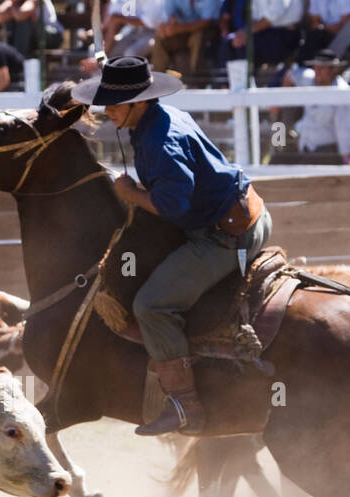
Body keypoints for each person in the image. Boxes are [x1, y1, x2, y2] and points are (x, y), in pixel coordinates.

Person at [72, 56, 271, 435]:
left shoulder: (161, 140)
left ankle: (185, 405)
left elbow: (173, 205)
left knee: (151, 305)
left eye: (115, 101)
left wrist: (131, 194)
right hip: (245, 213)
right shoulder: (163, 119)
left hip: (225, 236)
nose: (107, 110)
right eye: (105, 101)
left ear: (140, 102)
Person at [274, 49, 350, 164]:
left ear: (334, 70)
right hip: (306, 149)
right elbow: (291, 75)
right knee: (278, 161)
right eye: (316, 67)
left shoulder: (341, 93)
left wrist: (346, 157)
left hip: (328, 152)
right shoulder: (310, 79)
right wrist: (280, 100)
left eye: (322, 68)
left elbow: (344, 128)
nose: (317, 71)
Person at [217, 0, 302, 68]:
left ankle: (245, 84)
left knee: (242, 46)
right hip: (264, 32)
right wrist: (241, 34)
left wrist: (246, 32)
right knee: (229, 42)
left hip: (285, 35)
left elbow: (275, 14)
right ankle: (229, 86)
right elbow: (256, 18)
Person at [152, 0, 221, 74]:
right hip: (181, 30)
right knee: (160, 37)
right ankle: (158, 76)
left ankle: (197, 80)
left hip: (207, 32)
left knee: (198, 37)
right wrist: (170, 25)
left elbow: (206, 22)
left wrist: (179, 29)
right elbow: (170, 13)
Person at [0, 0, 64, 58]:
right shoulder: (16, 3)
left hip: (53, 36)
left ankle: (19, 60)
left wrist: (11, 9)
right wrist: (10, 2)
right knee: (11, 24)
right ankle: (13, 58)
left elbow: (22, 15)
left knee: (24, 22)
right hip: (35, 39)